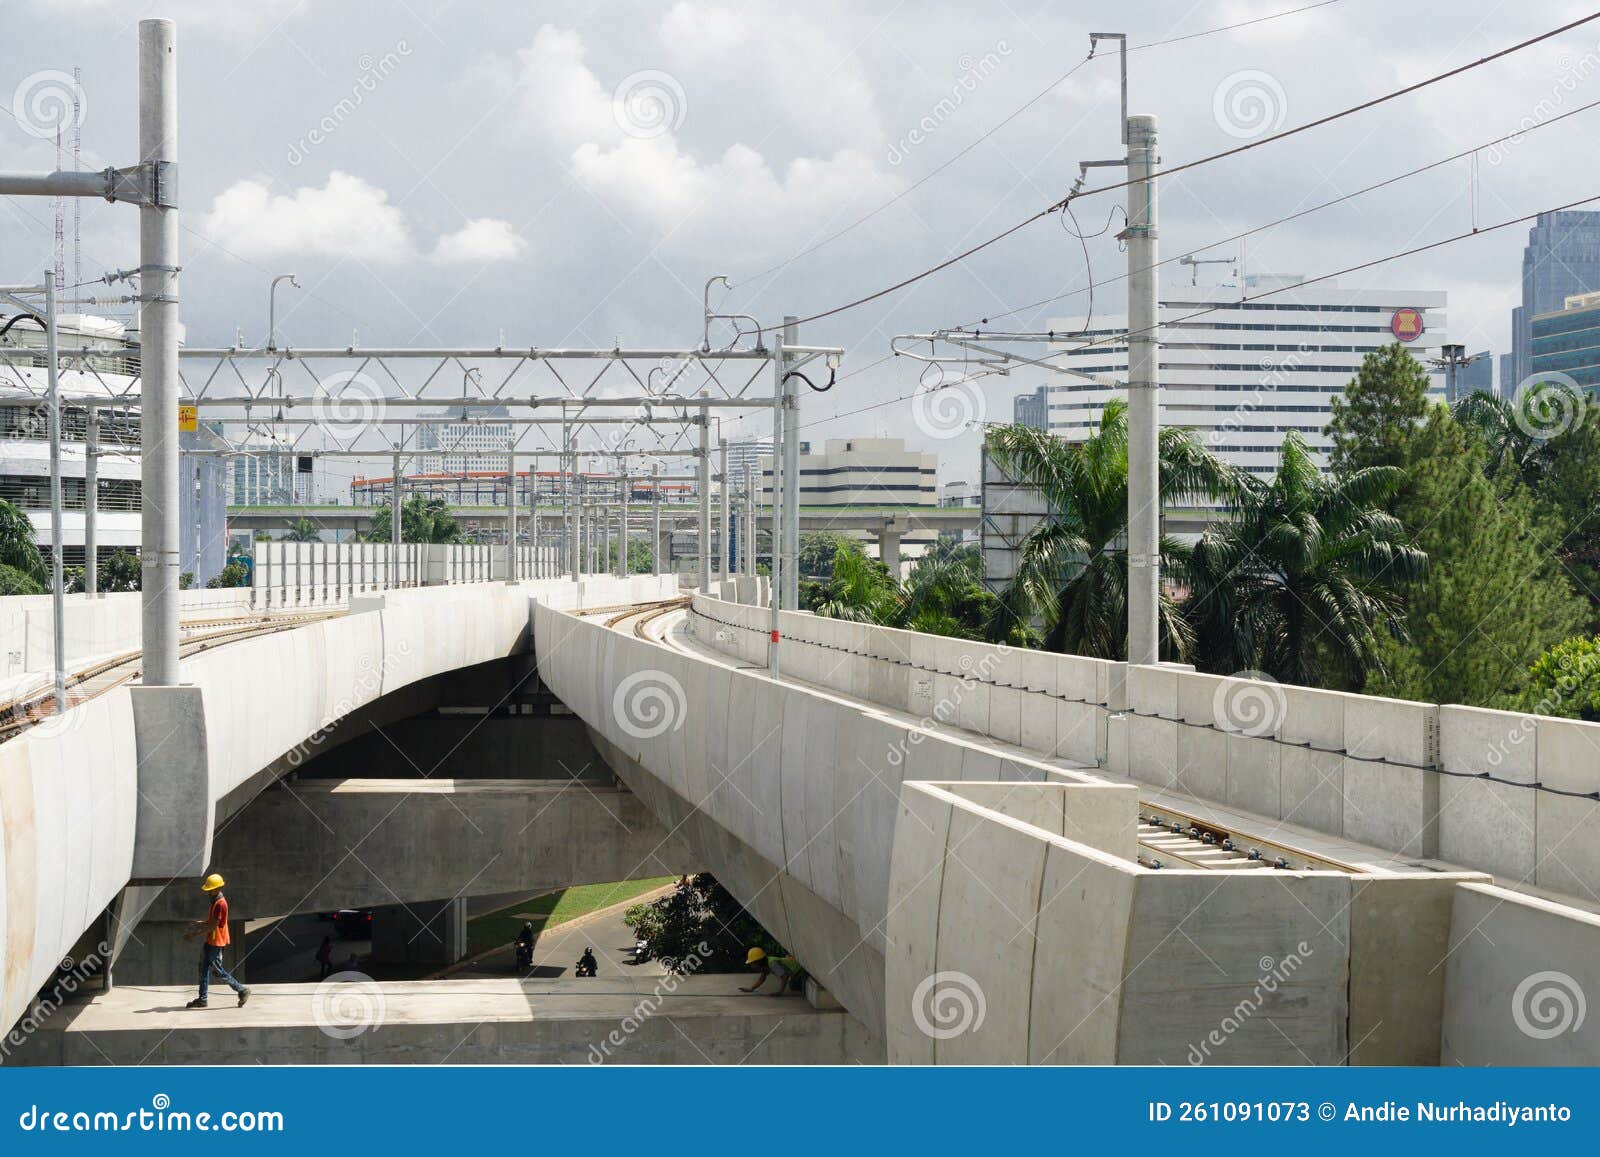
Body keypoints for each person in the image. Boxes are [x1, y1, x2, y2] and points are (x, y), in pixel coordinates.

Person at [185, 873, 249, 1009]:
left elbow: (213, 926)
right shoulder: (215, 902)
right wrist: (199, 923)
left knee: (218, 971)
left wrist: (195, 934)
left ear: (217, 888)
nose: (208, 892)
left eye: (209, 890)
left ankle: (242, 990)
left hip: (216, 942)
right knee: (203, 969)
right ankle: (202, 999)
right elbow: (212, 922)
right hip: (211, 941)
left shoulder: (220, 904)